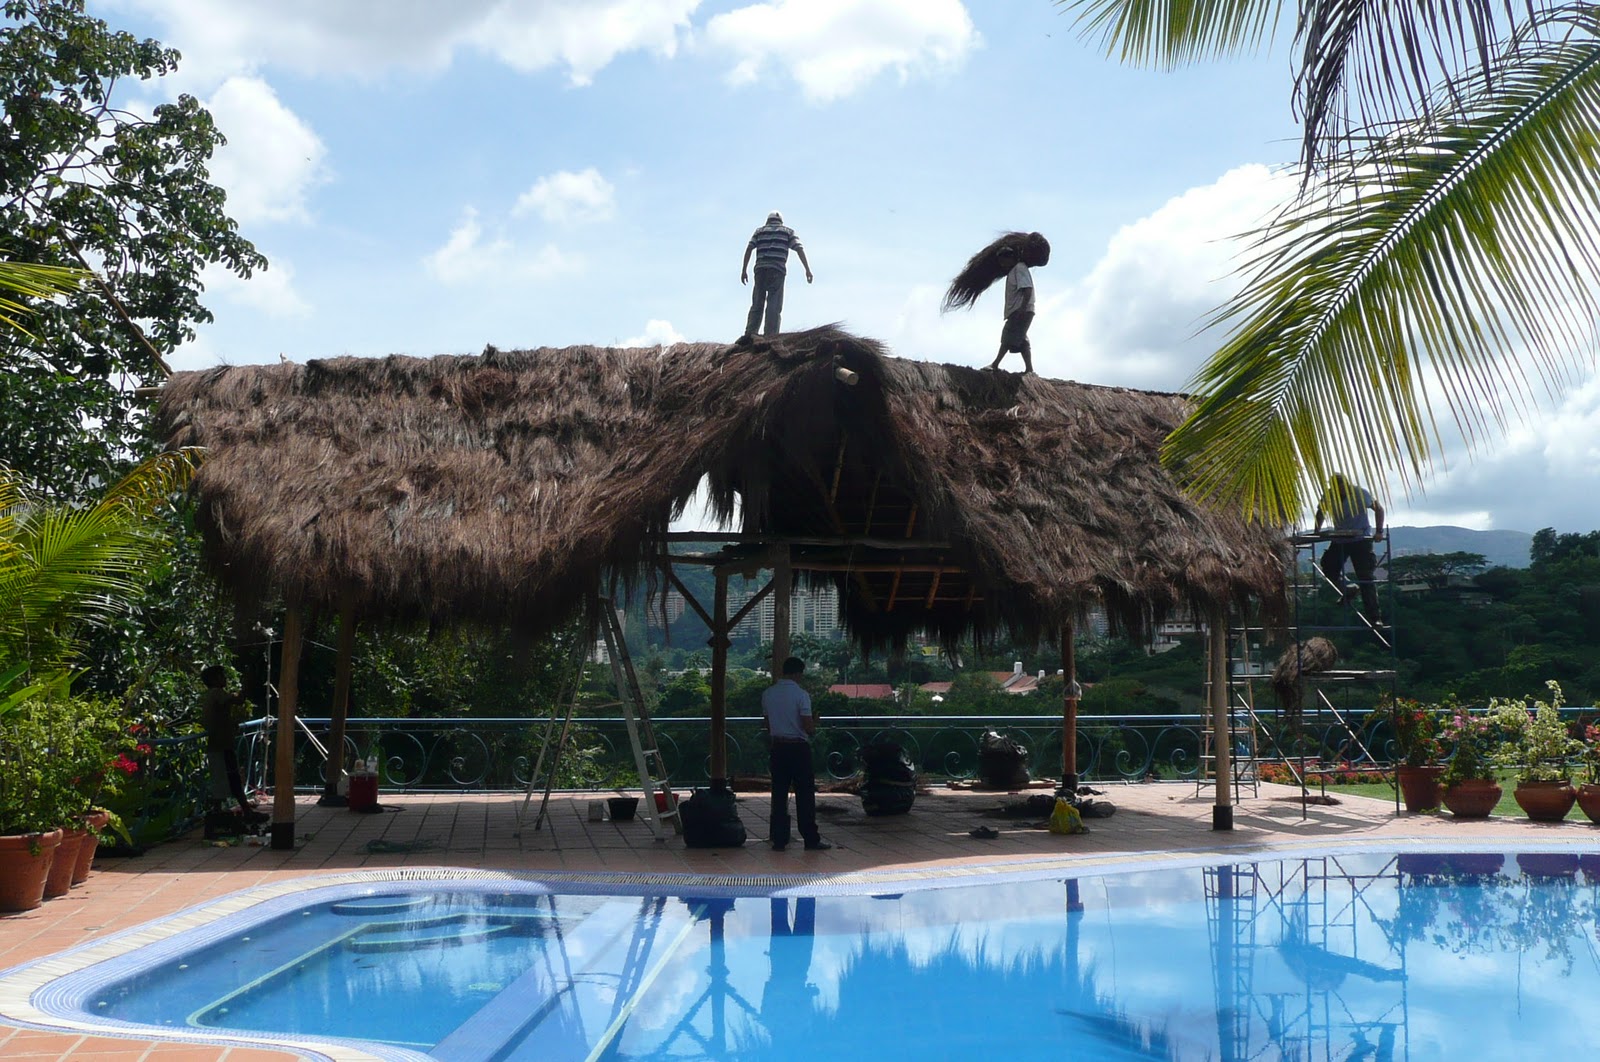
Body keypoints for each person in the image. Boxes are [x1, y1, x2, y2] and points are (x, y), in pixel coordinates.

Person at [761, 656, 831, 851]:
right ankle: (810, 837)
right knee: (805, 795)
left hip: (778, 747)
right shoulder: (801, 695)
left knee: (779, 793)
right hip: (798, 748)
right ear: (798, 673)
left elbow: (767, 725)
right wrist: (815, 723)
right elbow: (807, 727)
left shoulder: (768, 694)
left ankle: (779, 838)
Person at [1313, 473, 1387, 623]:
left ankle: (1375, 617)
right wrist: (1317, 531)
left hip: (1360, 539)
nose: (1338, 492)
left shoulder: (1360, 493)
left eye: (1340, 488)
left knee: (1365, 577)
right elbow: (1320, 512)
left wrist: (1379, 531)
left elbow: (1378, 509)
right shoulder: (1329, 496)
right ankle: (1348, 588)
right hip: (1341, 538)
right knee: (1328, 566)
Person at [200, 665, 266, 821]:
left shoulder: (211, 695)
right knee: (231, 778)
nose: (225, 679)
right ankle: (242, 812)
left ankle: (219, 814)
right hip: (221, 745)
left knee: (222, 779)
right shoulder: (217, 693)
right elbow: (238, 700)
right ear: (214, 680)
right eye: (221, 676)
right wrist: (247, 683)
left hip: (218, 743)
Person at [739, 211, 813, 340]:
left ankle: (750, 333)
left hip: (760, 269)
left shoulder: (759, 231)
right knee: (774, 303)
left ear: (767, 221)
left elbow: (749, 248)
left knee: (757, 302)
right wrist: (807, 269)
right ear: (781, 221)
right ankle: (771, 335)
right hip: (777, 270)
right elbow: (799, 248)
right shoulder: (788, 232)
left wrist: (744, 270)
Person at [985, 244, 1035, 373]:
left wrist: (1022, 309)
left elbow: (1027, 289)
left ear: (1010, 258)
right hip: (1018, 310)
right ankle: (1029, 369)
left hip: (1021, 310)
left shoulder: (1019, 268)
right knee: (1022, 339)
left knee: (1007, 336)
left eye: (1003, 261)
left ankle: (995, 363)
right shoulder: (1014, 271)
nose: (1002, 265)